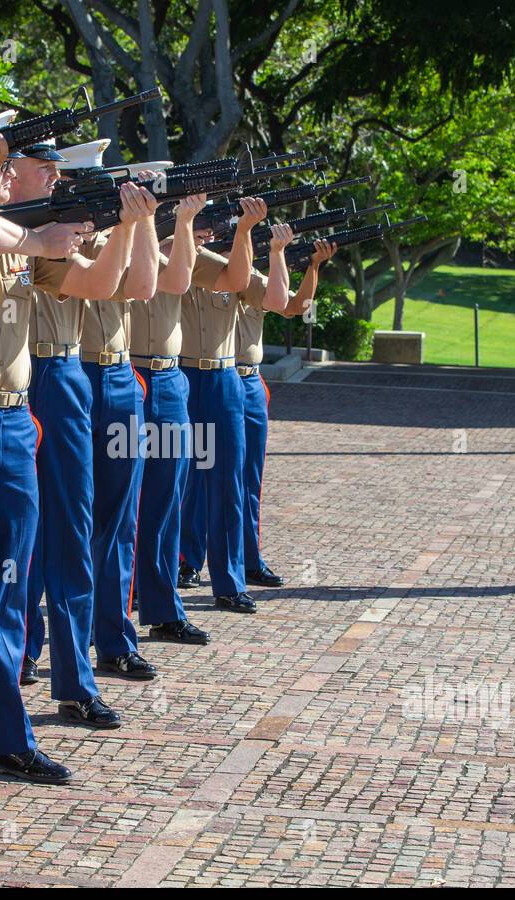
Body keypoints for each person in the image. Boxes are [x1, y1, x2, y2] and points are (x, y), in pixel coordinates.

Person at [0, 122, 155, 776]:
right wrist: (30, 235)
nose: (15, 176)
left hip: (14, 422)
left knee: (9, 586)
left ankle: (4, 736)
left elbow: (100, 287)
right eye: (3, 164)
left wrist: (129, 226)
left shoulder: (22, 239)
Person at [47, 139, 163, 680]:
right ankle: (27, 646)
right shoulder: (56, 234)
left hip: (116, 375)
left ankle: (113, 637)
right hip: (69, 373)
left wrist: (138, 223)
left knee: (117, 519)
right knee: (56, 520)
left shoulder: (110, 230)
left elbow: (142, 288)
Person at [174, 205, 288, 613]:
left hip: (222, 380)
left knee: (228, 484)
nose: (208, 234)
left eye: (212, 227)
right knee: (176, 481)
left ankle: (229, 581)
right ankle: (176, 565)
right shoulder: (171, 253)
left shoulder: (231, 265)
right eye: (203, 226)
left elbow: (276, 299)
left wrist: (270, 249)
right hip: (182, 377)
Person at [130, 183, 227, 644]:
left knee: (166, 500)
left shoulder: (180, 248)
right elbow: (163, 280)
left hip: (167, 380)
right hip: (128, 375)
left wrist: (185, 229)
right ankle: (109, 608)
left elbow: (183, 279)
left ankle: (163, 606)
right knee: (118, 506)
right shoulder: (121, 239)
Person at [236, 239, 337, 588]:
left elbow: (298, 307)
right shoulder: (214, 270)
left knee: (249, 479)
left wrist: (313, 268)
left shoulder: (260, 281)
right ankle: (187, 560)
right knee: (199, 479)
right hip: (212, 377)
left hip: (249, 379)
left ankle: (248, 558)